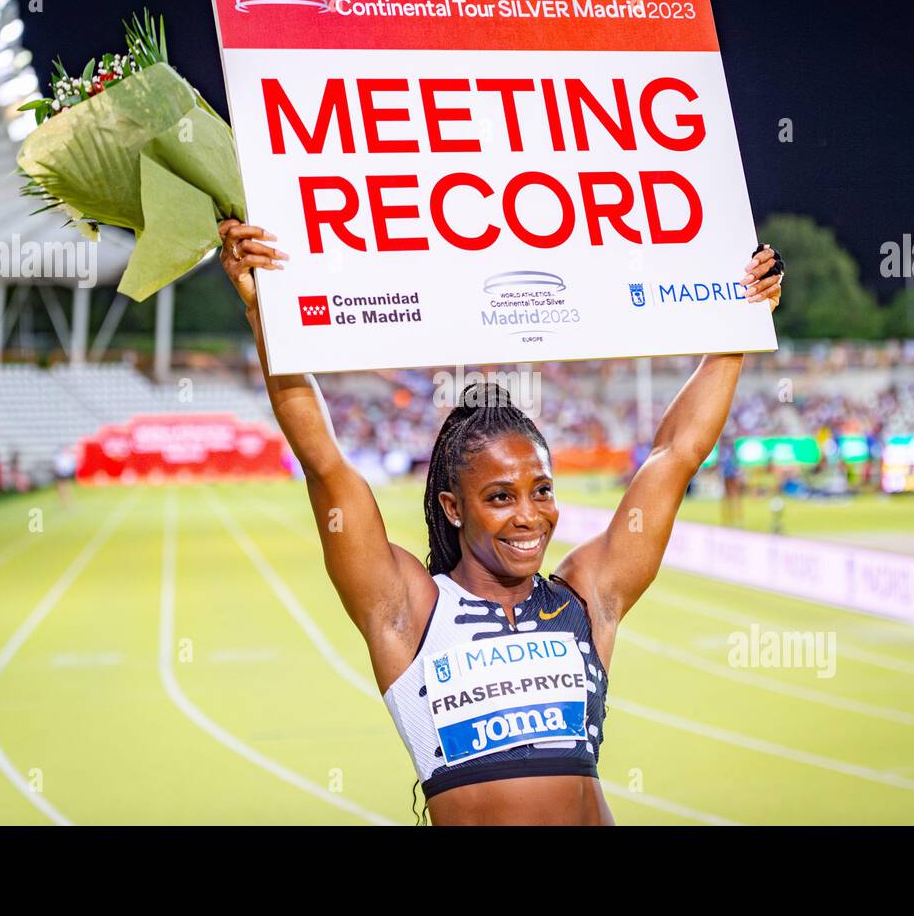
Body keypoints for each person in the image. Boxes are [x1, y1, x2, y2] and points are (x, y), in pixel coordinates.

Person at [219, 218, 784, 826]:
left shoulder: (587, 599)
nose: (529, 516)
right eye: (499, 497)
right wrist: (266, 312)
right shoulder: (408, 610)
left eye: (541, 490)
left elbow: (676, 457)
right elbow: (324, 462)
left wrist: (739, 321)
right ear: (453, 507)